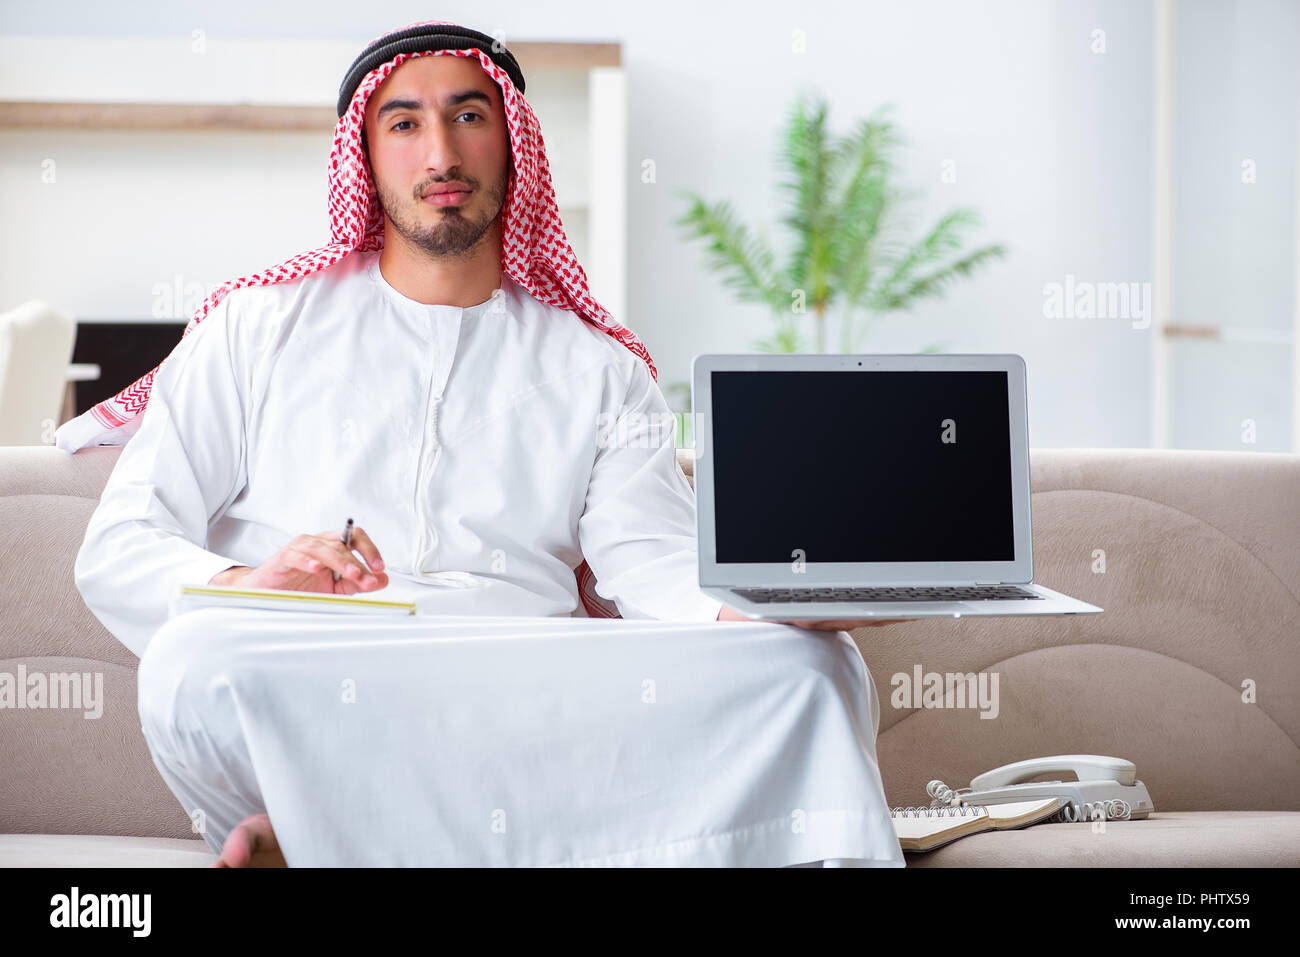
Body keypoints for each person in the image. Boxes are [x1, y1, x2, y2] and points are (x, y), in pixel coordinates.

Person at [63, 19, 912, 867]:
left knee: (813, 668)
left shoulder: (599, 366)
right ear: (363, 152)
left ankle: (323, 836)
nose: (441, 153)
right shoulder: (255, 328)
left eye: (469, 117)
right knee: (193, 652)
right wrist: (251, 581)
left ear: (514, 142)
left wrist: (770, 609)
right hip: (322, 654)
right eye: (403, 123)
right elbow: (120, 544)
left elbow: (653, 566)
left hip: (525, 672)